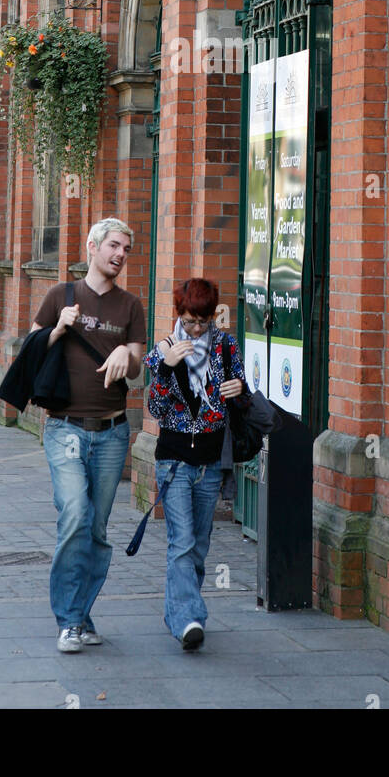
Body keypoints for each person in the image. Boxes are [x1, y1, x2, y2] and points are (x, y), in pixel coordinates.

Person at [30, 217, 146, 653]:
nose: (120, 255)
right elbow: (31, 351)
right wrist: (58, 327)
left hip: (113, 432)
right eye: (114, 246)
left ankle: (80, 614)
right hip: (64, 429)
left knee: (95, 529)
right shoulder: (61, 295)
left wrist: (125, 354)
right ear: (93, 246)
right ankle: (69, 620)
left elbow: (136, 368)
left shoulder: (130, 306)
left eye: (126, 249)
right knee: (76, 514)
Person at [145, 278, 246, 651]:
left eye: (204, 321)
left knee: (199, 546)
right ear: (179, 316)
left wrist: (240, 393)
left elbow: (241, 395)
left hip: (209, 463)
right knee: (182, 542)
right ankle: (189, 617)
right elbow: (155, 409)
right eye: (190, 321)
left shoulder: (225, 346)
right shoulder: (164, 350)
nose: (197, 329)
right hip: (173, 463)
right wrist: (168, 368)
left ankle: (176, 612)